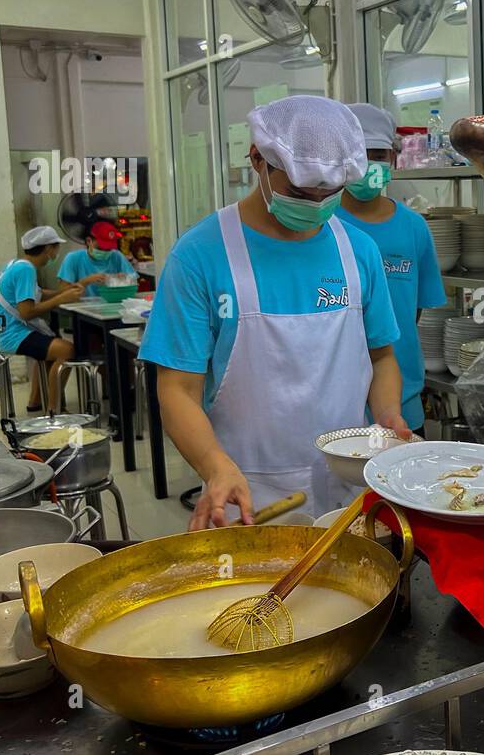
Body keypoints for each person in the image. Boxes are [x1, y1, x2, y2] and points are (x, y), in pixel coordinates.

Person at [141, 96, 408, 530]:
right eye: (302, 193)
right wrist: (214, 466)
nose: (317, 206)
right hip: (243, 493)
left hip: (350, 488)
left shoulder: (358, 251)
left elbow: (381, 357)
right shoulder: (200, 255)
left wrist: (389, 416)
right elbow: (177, 390)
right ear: (257, 162)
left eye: (330, 194)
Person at [338, 103, 447, 434]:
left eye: (379, 154)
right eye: (361, 154)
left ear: (394, 158)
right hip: (337, 403)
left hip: (403, 402)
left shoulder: (414, 228)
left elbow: (412, 312)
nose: (370, 164)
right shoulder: (323, 227)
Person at [0, 225, 83, 414]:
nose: (57, 251)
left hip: (4, 330)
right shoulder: (26, 269)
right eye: (56, 247)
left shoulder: (15, 264)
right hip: (13, 334)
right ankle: (55, 411)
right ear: (49, 249)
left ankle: (35, 402)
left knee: (51, 343)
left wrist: (60, 292)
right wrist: (60, 299)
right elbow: (27, 311)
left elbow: (35, 294)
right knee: (67, 350)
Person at [58, 220, 137, 299]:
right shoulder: (73, 258)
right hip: (81, 306)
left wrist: (124, 280)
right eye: (101, 248)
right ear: (89, 241)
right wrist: (86, 281)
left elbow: (133, 282)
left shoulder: (116, 256)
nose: (105, 252)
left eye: (109, 249)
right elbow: (61, 292)